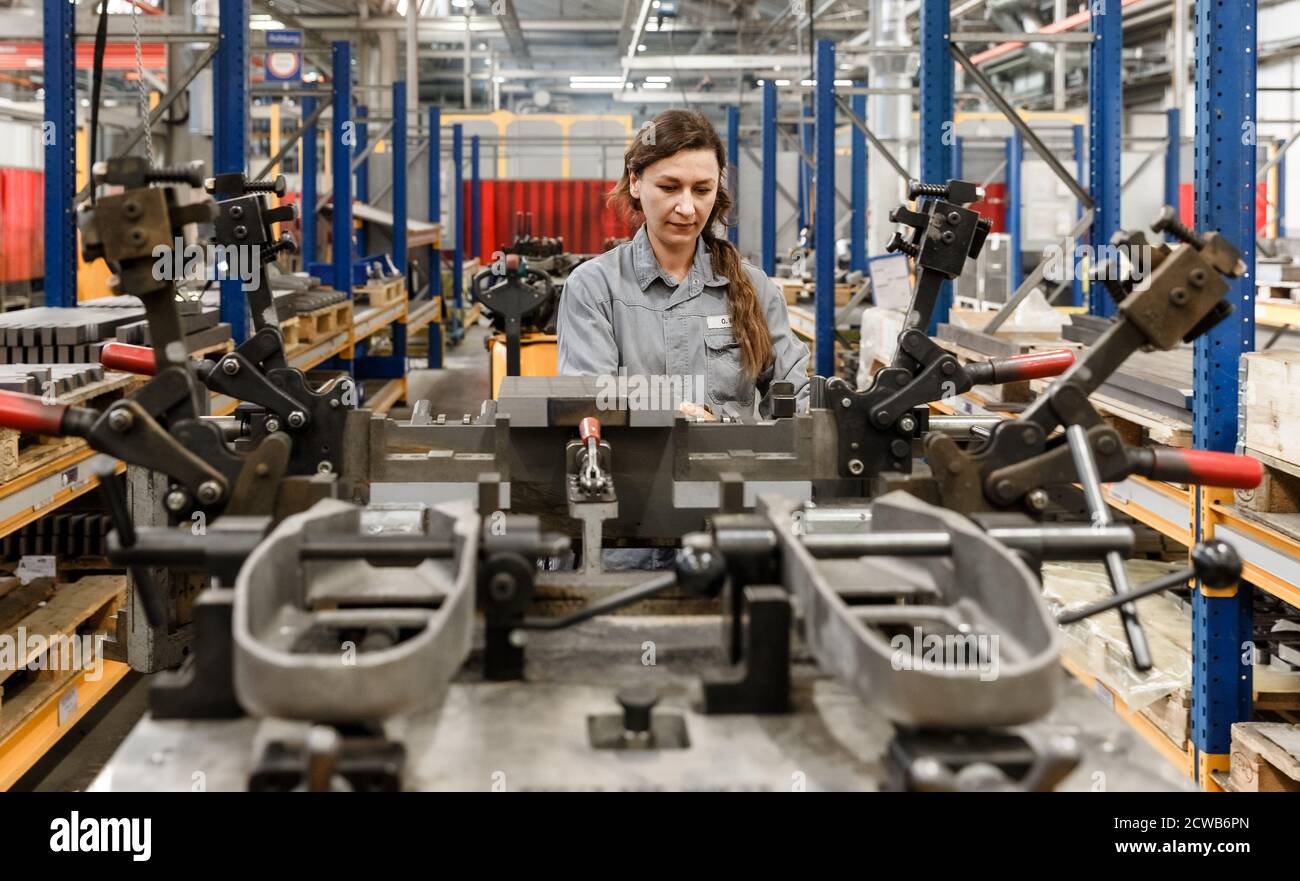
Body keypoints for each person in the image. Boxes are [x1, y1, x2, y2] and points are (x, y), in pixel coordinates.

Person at [557, 109, 810, 420]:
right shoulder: (593, 289)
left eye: (702, 190)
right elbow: (590, 402)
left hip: (732, 466)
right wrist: (660, 413)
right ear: (635, 182)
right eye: (669, 187)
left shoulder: (755, 289)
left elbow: (794, 399)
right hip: (632, 468)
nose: (687, 208)